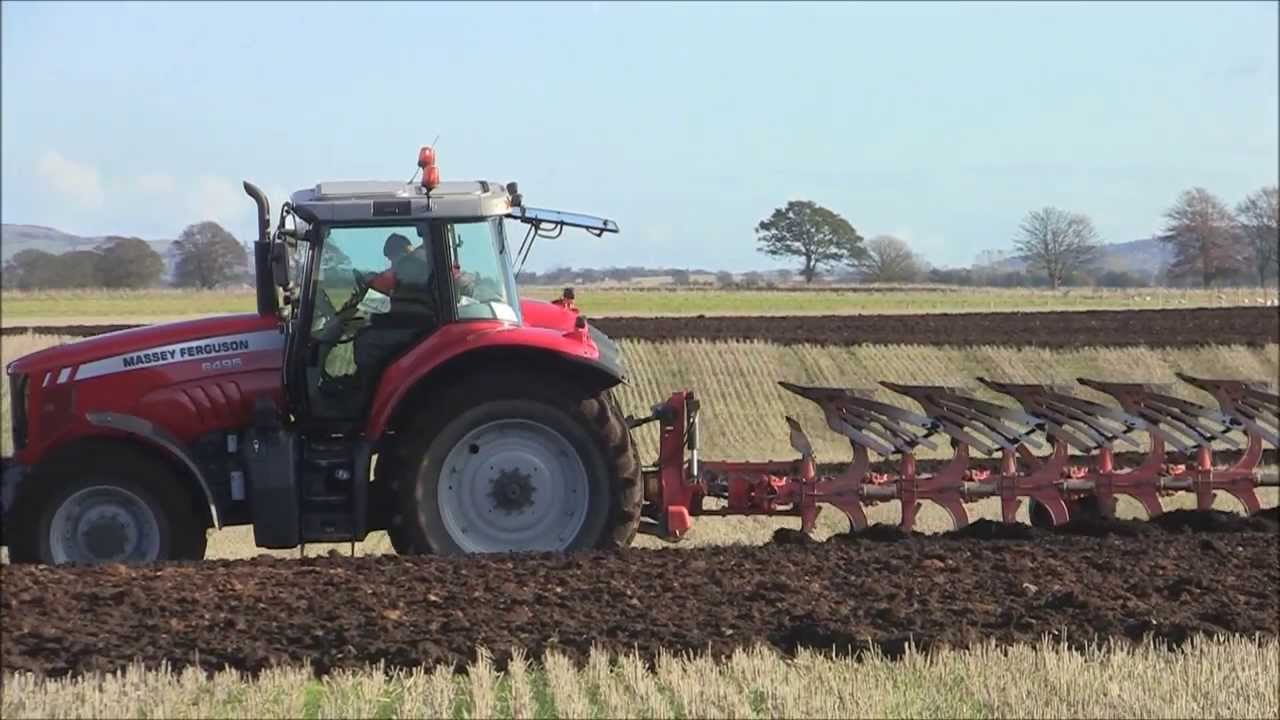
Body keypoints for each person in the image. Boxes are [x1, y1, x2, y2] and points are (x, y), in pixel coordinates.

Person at [350, 232, 438, 407]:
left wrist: (370, 284)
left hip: (417, 328)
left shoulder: (412, 263)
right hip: (416, 323)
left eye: (392, 258)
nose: (392, 262)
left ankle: (369, 399)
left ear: (402, 250)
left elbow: (380, 289)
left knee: (365, 341)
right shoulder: (422, 261)